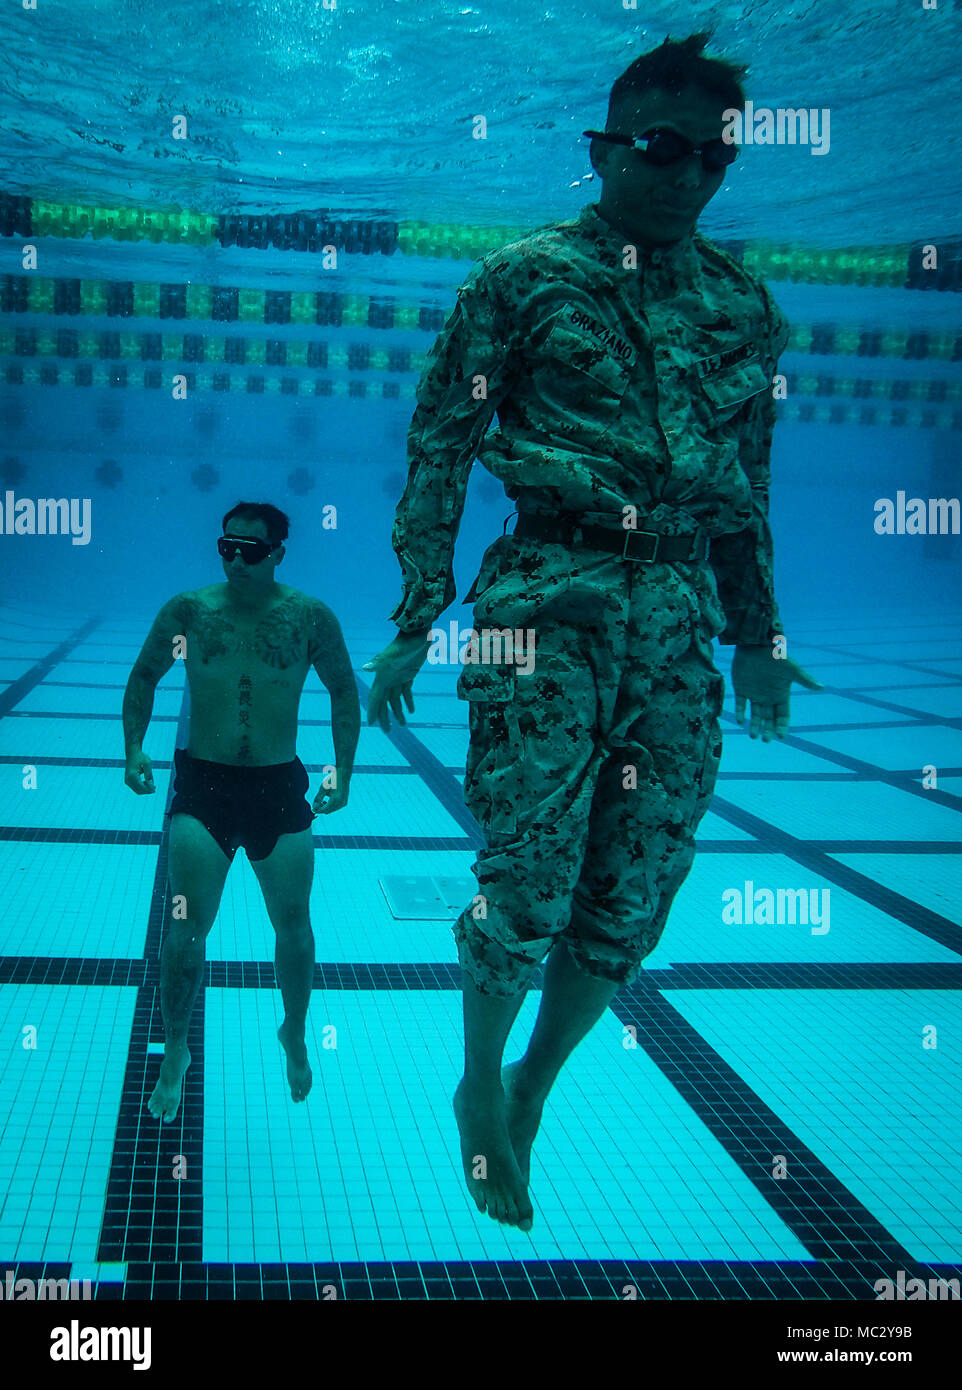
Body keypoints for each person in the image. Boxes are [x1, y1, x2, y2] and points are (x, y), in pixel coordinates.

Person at [364, 32, 822, 1232]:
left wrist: (759, 636)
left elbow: (745, 487)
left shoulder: (740, 307)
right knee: (526, 875)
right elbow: (439, 450)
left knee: (633, 892)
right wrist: (418, 616)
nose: (686, 175)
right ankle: (474, 1083)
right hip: (542, 603)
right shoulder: (518, 280)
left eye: (712, 156)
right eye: (660, 148)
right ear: (604, 148)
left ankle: (531, 1081)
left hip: (675, 624)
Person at [123, 501, 360, 1122]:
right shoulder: (190, 611)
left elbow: (343, 691)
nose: (236, 560)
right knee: (185, 932)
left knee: (295, 928)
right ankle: (177, 1049)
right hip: (204, 788)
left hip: (278, 790)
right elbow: (145, 675)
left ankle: (294, 1031)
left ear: (279, 552)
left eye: (251, 550)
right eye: (226, 547)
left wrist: (344, 770)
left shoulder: (309, 618)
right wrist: (133, 750)